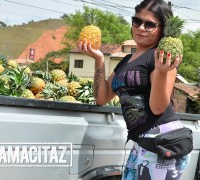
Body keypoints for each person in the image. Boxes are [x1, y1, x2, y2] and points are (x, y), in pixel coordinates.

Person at [76, 0, 190, 179]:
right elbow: (102, 97)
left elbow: (158, 108)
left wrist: (160, 71)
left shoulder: (161, 58)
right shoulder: (126, 60)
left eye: (149, 24)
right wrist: (99, 60)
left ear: (163, 29)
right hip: (142, 142)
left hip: (162, 142)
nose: (141, 27)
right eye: (137, 21)